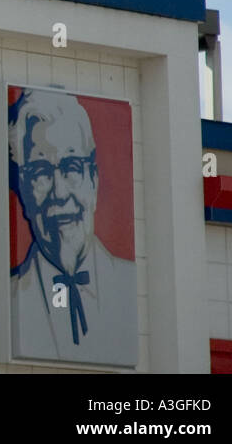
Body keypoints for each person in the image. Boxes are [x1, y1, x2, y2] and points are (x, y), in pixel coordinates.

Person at [8, 89, 137, 366]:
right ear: (23, 189)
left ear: (93, 180)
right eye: (40, 172)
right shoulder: (8, 300)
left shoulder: (129, 287)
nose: (60, 192)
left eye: (71, 167)